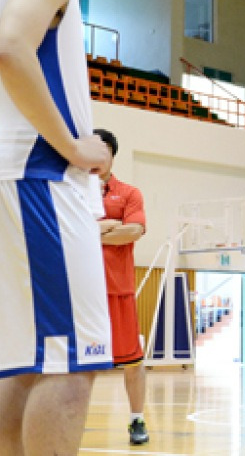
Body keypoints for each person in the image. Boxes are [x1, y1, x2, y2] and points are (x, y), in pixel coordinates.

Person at [0, 0, 134, 454]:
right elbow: (11, 50)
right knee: (71, 362)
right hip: (39, 176)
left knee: (24, 365)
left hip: (11, 171)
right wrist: (73, 147)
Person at [94, 128, 150, 444]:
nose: (96, 156)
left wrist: (87, 231)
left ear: (112, 155)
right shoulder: (70, 190)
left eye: (103, 150)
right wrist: (105, 227)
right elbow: (60, 231)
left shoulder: (129, 193)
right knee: (70, 367)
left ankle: (136, 419)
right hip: (79, 292)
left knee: (132, 362)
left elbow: (133, 231)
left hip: (118, 290)